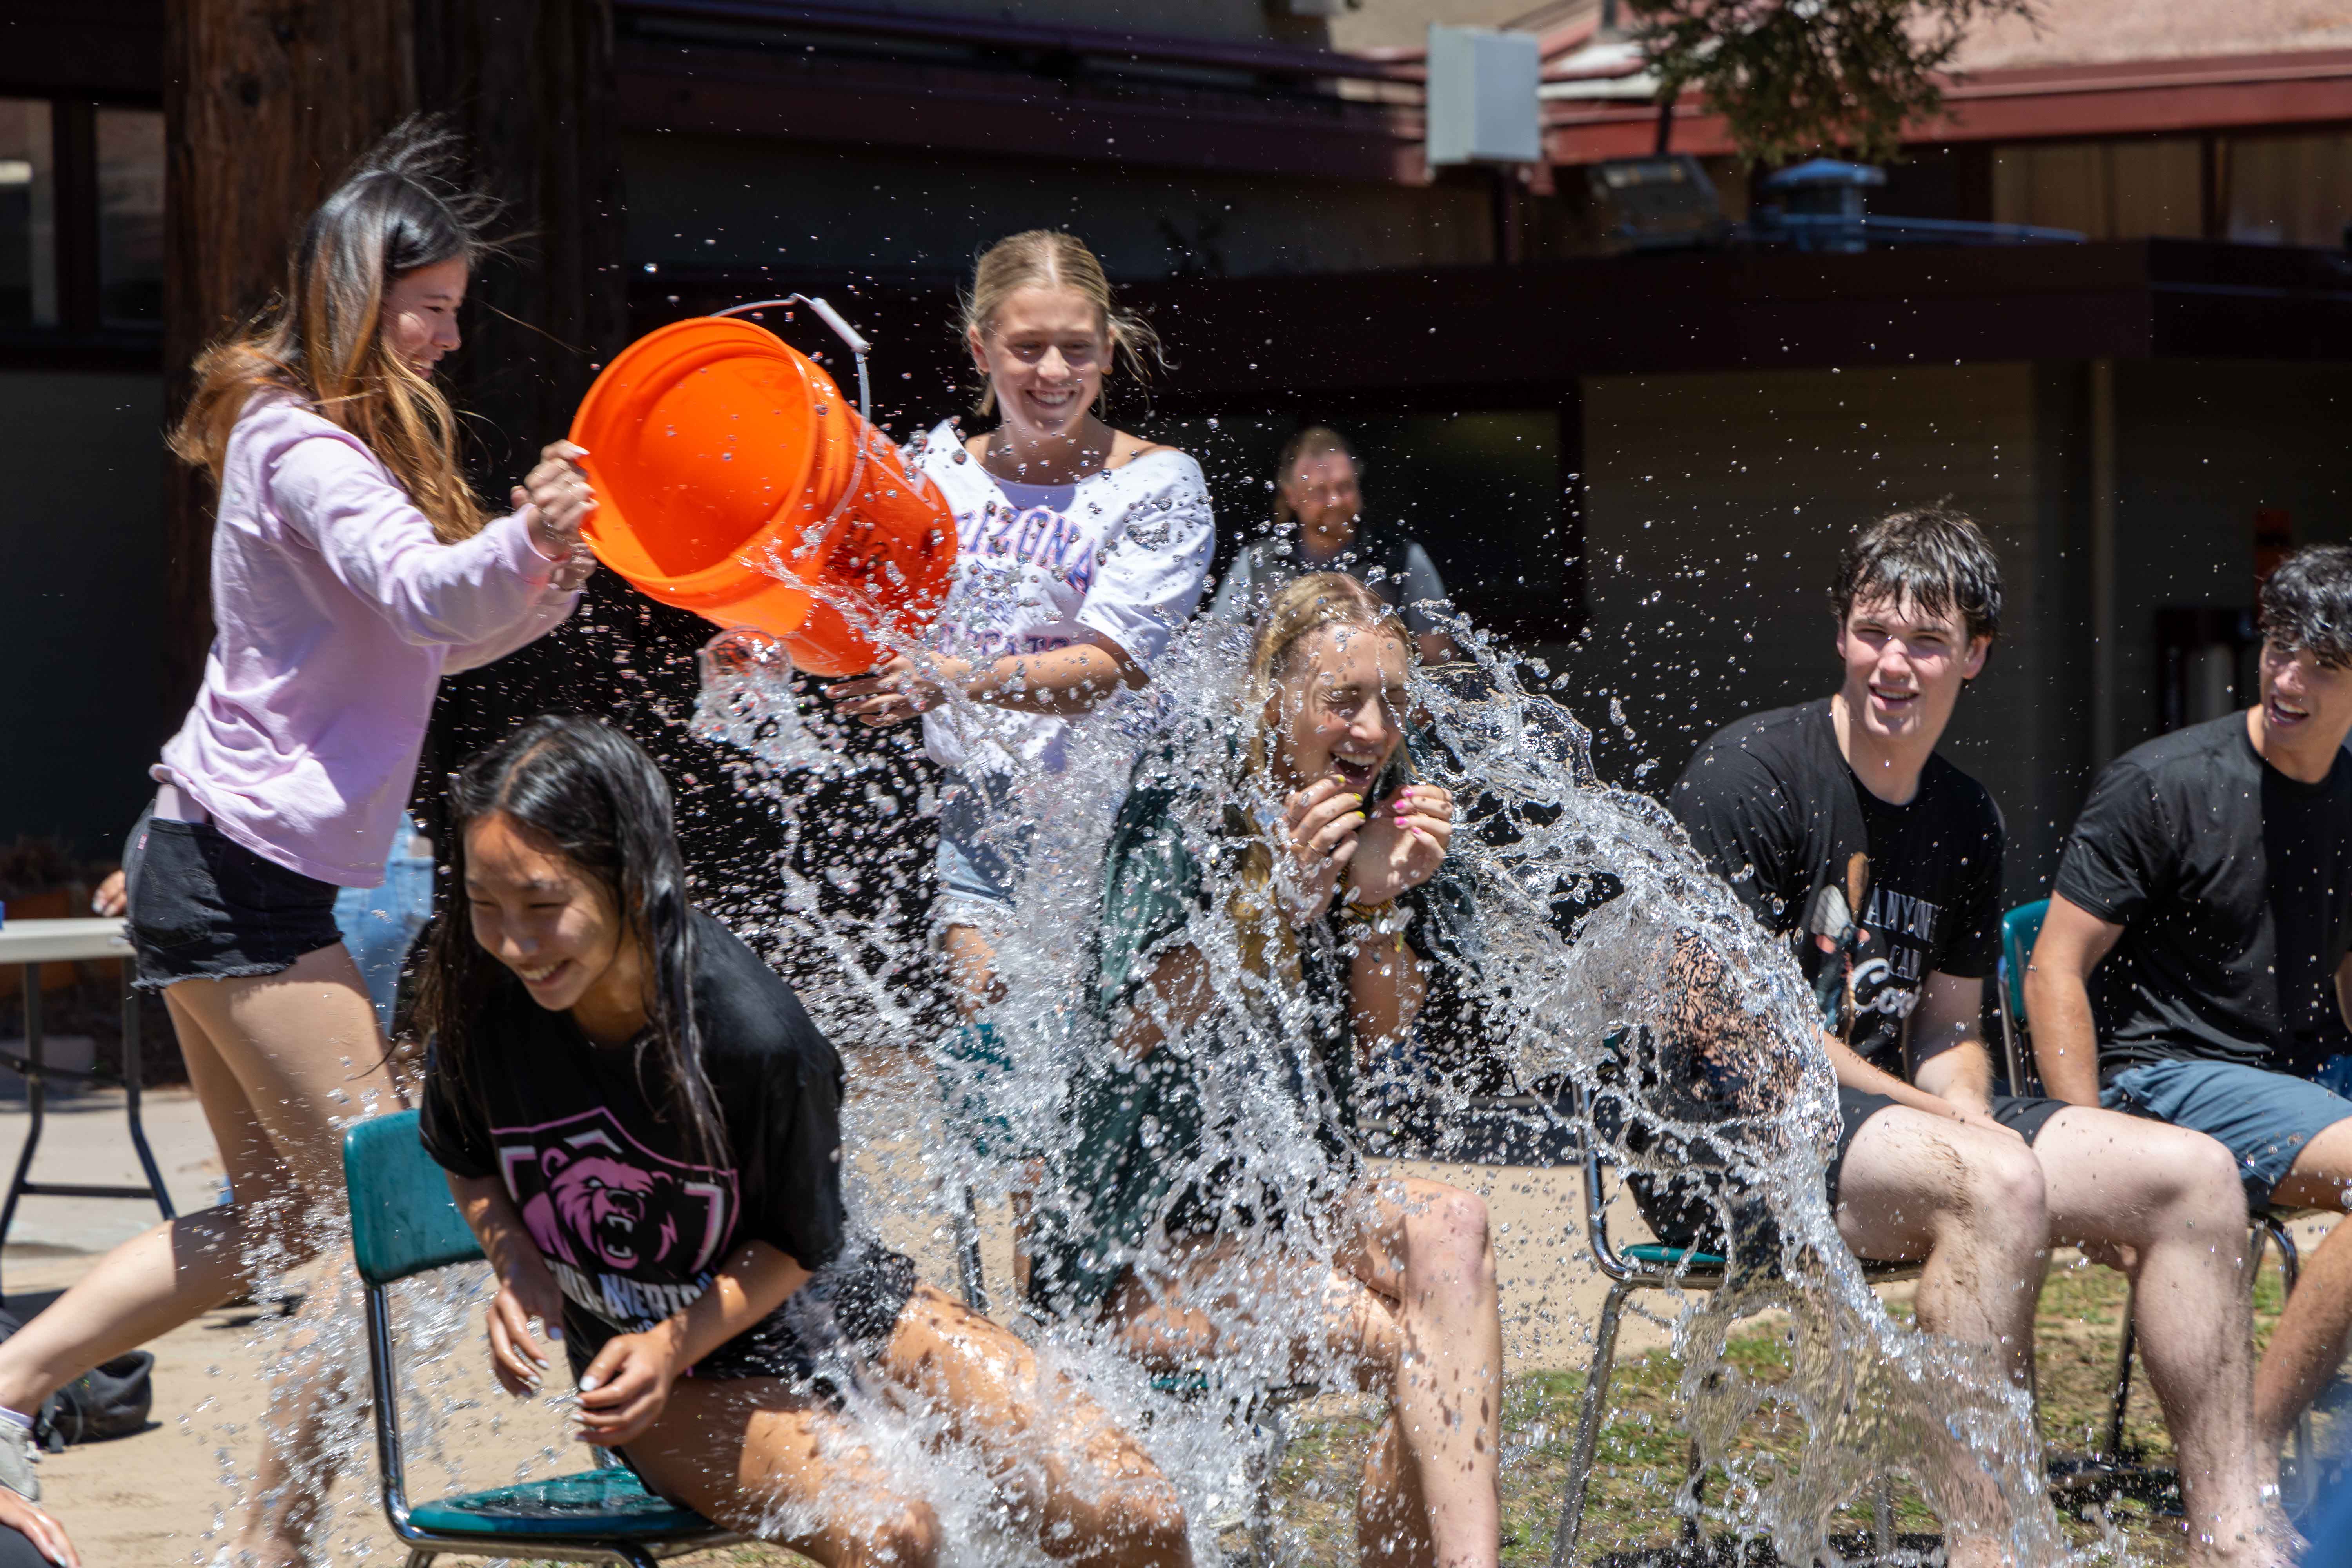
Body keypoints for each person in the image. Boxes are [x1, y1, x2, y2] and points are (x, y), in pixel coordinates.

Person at [0, 120, 595, 1564]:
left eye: (456, 311)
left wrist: (553, 568)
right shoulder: (299, 441)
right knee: (374, 1219)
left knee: (274, 1217)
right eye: (430, 308)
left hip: (216, 857)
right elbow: (426, 590)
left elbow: (428, 636)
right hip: (241, 874)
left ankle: (10, 1382)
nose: (449, 340)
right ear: (353, 291)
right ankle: (270, 1542)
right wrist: (526, 539)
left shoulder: (319, 444)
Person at [418, 715, 1189, 1568]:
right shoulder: (479, 996)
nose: (514, 943)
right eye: (486, 905)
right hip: (671, 1379)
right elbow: (468, 1156)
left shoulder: (754, 1036)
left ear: (631, 880)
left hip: (835, 1305)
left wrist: (675, 1334)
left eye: (542, 904)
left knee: (1133, 1511)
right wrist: (521, 1268)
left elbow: (799, 1242)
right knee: (889, 1533)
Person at [1665, 508, 2281, 1566]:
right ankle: (1991, 1551)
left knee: (2195, 1177)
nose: (1893, 664)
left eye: (1927, 642)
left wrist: (1966, 1109)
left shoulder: (1965, 815)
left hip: (1894, 1132)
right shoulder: (1748, 776)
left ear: (1976, 656)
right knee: (1990, 1183)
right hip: (1729, 1145)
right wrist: (1966, 1135)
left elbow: (1948, 1028)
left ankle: (2233, 1537)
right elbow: (1732, 1033)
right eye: (1872, 632)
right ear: (1842, 633)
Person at [1034, 573, 1502, 1568]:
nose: (1375, 728)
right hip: (1138, 1239)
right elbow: (1130, 1030)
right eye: (1346, 700)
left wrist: (1376, 901)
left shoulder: (1385, 811)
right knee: (1415, 1350)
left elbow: (1383, 1035)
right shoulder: (1184, 800)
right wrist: (1276, 903)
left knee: (1452, 1231)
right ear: (1273, 701)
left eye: (1392, 702)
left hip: (1291, 1210)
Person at [2029, 541, 2352, 1488]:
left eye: (2322, 664)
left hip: (2298, 1075)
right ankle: (2235, 1466)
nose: (2288, 678)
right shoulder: (2160, 784)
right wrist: (2085, 1140)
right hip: (2166, 1076)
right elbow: (2053, 967)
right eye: (2280, 646)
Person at [830, 229, 1214, 1016]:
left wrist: (951, 677)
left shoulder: (1159, 485)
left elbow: (1105, 669)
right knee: (993, 1057)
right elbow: (847, 607)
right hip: (983, 806)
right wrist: (762, 635)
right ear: (980, 348)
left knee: (1113, 1059)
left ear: (1108, 350)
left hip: (1128, 811)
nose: (1052, 371)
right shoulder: (929, 473)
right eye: (1027, 345)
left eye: (1075, 348)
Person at [1205, 427, 1455, 666]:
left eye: (1345, 487)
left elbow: (1441, 662)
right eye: (1319, 491)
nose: (1334, 501)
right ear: (1291, 495)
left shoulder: (1399, 558)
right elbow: (1216, 658)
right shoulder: (1258, 561)